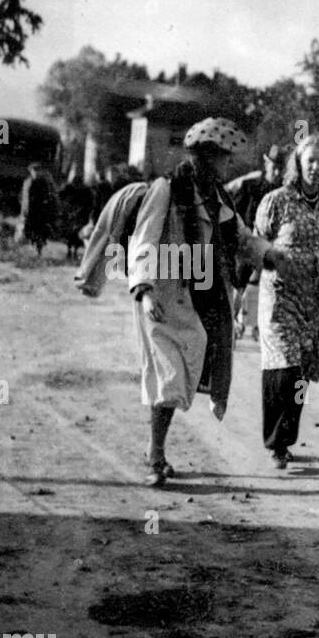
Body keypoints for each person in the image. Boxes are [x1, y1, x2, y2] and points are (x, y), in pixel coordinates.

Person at [126, 117, 277, 486]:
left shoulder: (218, 196)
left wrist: (271, 255)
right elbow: (143, 241)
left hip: (200, 295)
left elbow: (240, 237)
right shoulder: (168, 189)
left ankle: (155, 452)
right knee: (169, 378)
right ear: (206, 156)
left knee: (185, 374)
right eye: (224, 157)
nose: (229, 163)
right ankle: (154, 456)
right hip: (162, 295)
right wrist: (144, 291)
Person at [253, 133, 319, 469]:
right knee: (283, 366)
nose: (316, 167)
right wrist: (272, 264)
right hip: (279, 298)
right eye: (310, 160)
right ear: (298, 163)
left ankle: (287, 436)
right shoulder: (277, 201)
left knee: (302, 374)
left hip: (313, 302)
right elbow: (257, 245)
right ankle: (276, 441)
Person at [226, 144, 287, 340]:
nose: (276, 172)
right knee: (239, 284)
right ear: (266, 163)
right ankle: (232, 321)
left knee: (269, 288)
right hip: (248, 243)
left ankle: (259, 327)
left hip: (271, 246)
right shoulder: (250, 185)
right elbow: (234, 213)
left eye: (280, 168)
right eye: (273, 166)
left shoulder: (283, 192)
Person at [19, 163, 57, 255]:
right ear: (31, 171)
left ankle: (39, 249)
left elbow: (49, 196)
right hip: (29, 211)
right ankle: (32, 246)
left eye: (38, 170)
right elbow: (23, 196)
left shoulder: (44, 182)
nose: (36, 172)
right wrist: (23, 208)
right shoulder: (27, 182)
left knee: (40, 231)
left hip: (40, 211)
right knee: (29, 230)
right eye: (34, 170)